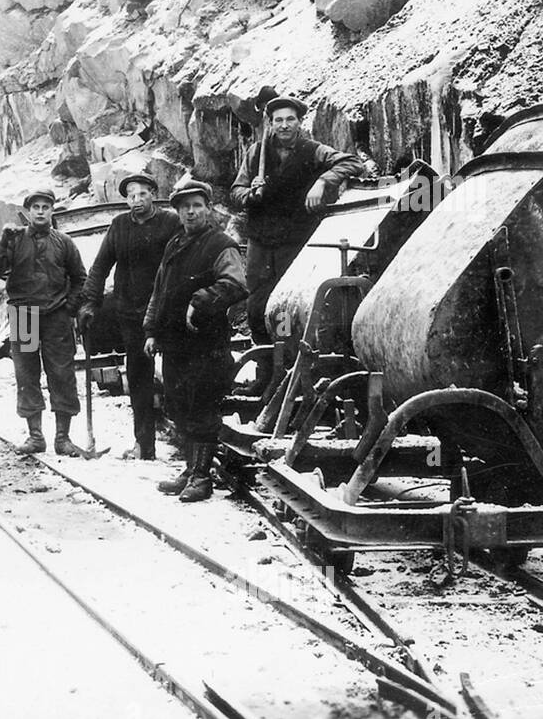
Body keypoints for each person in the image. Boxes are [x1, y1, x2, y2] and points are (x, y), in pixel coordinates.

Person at [230, 96, 363, 394]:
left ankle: (289, 376)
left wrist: (323, 181)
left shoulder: (312, 150)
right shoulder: (255, 155)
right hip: (261, 244)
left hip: (296, 243)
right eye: (278, 120)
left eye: (290, 119)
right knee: (256, 308)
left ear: (299, 122)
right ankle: (267, 372)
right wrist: (250, 196)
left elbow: (352, 162)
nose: (284, 125)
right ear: (270, 124)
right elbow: (236, 191)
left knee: (286, 310)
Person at [143, 177, 248, 502]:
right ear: (177, 211)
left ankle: (202, 478)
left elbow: (236, 284)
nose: (191, 212)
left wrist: (200, 300)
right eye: (185, 207)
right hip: (175, 346)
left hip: (206, 346)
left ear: (208, 208)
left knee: (202, 408)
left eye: (197, 206)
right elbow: (159, 291)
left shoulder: (221, 245)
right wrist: (151, 330)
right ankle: (190, 470)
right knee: (180, 407)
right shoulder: (175, 245)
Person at [78, 172, 181, 460]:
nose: (137, 200)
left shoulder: (171, 222)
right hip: (131, 311)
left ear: (152, 194)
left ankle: (184, 439)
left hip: (165, 310)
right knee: (138, 378)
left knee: (176, 374)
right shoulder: (119, 225)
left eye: (143, 194)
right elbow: (100, 267)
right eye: (131, 195)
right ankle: (144, 445)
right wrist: (89, 303)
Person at [0, 188, 88, 456]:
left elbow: (80, 278)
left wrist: (70, 308)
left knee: (62, 374)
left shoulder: (64, 242)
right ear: (28, 211)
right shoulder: (14, 239)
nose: (41, 211)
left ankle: (63, 439)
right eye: (36, 207)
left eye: (46, 207)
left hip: (56, 316)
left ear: (52, 210)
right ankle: (35, 437)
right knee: (27, 374)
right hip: (24, 314)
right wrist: (2, 242)